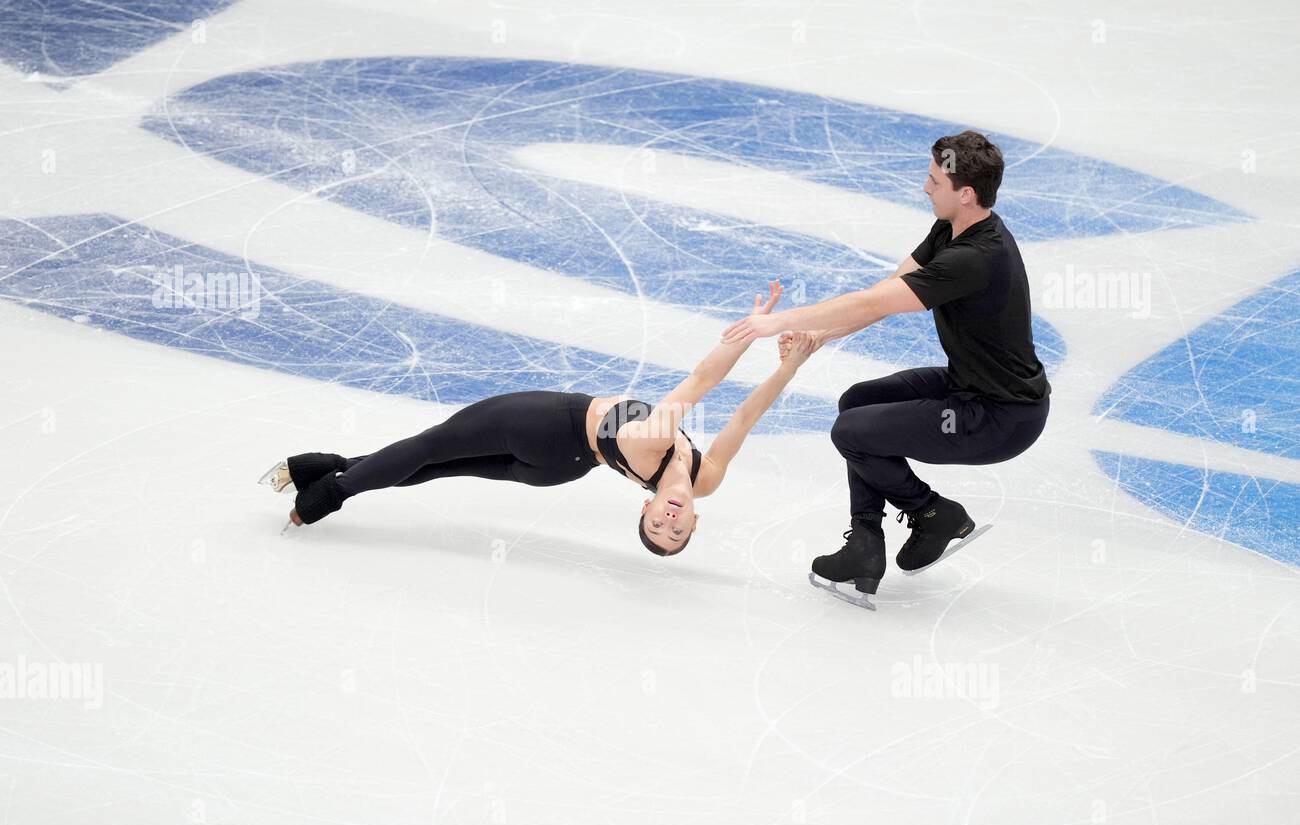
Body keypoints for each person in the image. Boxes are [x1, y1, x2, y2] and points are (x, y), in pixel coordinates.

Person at [725, 131, 1051, 606]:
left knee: (852, 432)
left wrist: (773, 322)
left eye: (934, 180)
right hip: (971, 389)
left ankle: (931, 512)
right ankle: (865, 544)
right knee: (857, 403)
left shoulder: (975, 258)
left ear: (966, 193)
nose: (925, 187)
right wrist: (818, 337)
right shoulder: (954, 228)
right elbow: (886, 296)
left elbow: (872, 301)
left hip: (1001, 418)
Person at [261, 282, 814, 556]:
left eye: (657, 529)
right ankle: (328, 468)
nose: (668, 522)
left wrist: (757, 335)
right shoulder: (706, 479)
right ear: (695, 522)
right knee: (432, 460)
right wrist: (785, 357)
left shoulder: (652, 446)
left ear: (645, 508)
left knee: (432, 454)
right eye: (674, 530)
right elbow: (740, 412)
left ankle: (327, 493)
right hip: (553, 452)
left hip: (542, 440)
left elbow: (702, 383)